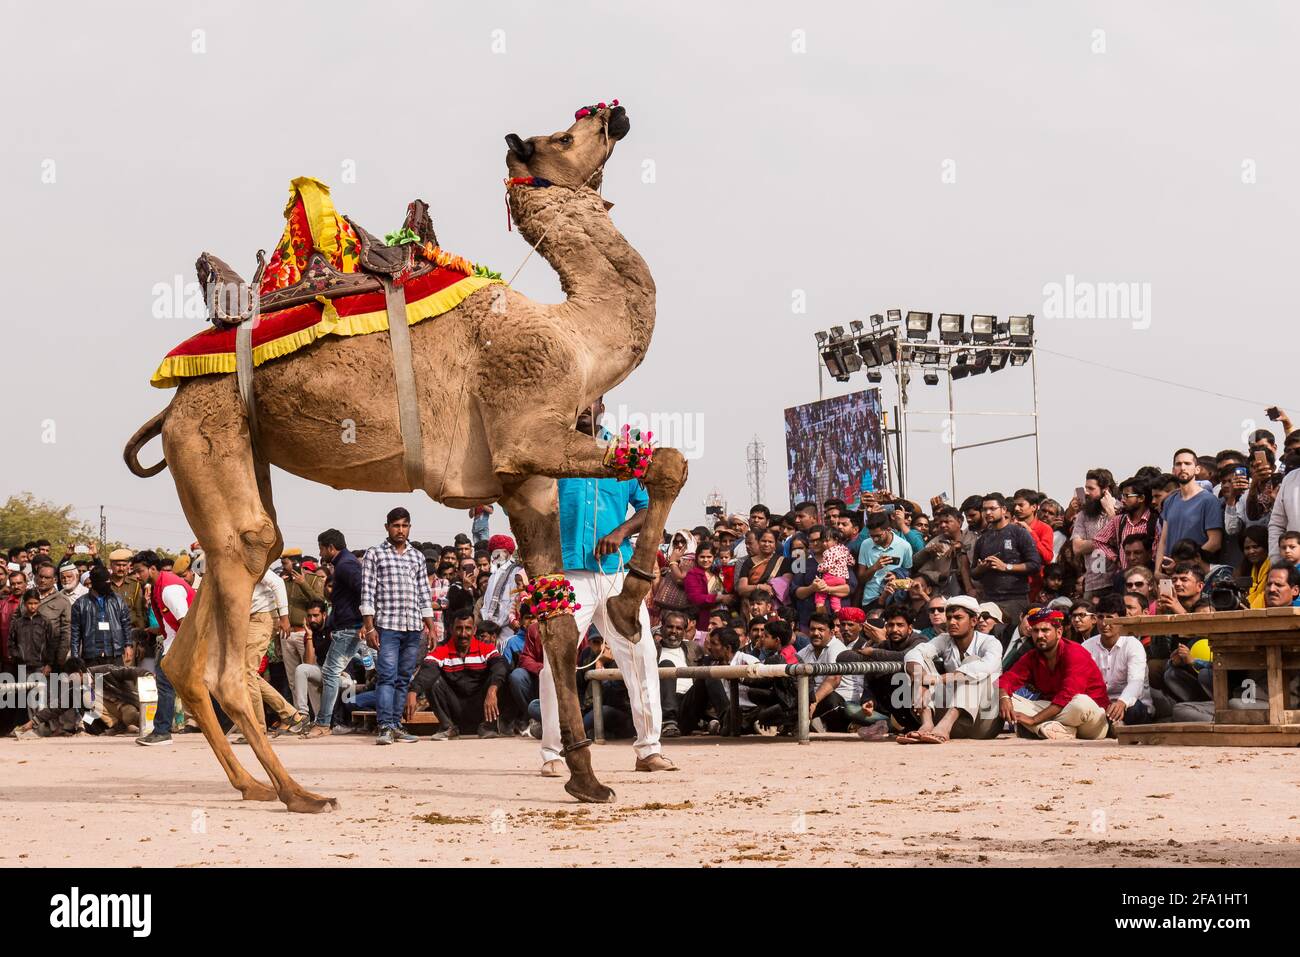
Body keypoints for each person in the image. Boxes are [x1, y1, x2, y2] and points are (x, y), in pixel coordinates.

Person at [538, 398, 675, 777]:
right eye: (576, 397)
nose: (582, 406)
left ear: (602, 405)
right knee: (555, 662)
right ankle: (553, 752)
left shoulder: (623, 453)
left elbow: (651, 507)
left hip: (616, 573)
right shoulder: (552, 454)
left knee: (641, 655)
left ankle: (649, 749)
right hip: (564, 572)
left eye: (590, 399)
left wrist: (620, 531)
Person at [360, 508, 436, 746]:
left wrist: (430, 626)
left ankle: (396, 725)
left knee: (404, 677)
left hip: (413, 626)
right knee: (386, 676)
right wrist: (370, 628)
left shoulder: (417, 556)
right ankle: (384, 727)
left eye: (404, 525)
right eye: (396, 525)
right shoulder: (375, 554)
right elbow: (367, 593)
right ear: (387, 527)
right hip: (388, 626)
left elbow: (424, 593)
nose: (400, 530)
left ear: (409, 528)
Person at [896, 595, 1003, 744]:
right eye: (949, 617)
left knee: (972, 666)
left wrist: (942, 678)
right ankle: (927, 723)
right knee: (919, 664)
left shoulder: (990, 642)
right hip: (952, 723)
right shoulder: (944, 639)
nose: (951, 622)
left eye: (958, 618)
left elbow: (988, 666)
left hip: (983, 721)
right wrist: (920, 677)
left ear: (973, 621)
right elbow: (915, 653)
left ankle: (946, 724)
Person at [998, 607, 1110, 740]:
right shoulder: (1032, 656)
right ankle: (1058, 730)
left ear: (1059, 632)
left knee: (1081, 702)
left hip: (1090, 720)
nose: (1039, 635)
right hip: (1055, 709)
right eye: (1035, 630)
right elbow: (1008, 679)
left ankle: (1039, 727)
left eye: (1045, 630)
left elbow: (1067, 695)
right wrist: (1004, 698)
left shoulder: (1074, 652)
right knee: (998, 697)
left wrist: (1033, 720)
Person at [410, 608, 508, 739]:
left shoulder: (486, 649)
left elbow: (500, 667)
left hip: (481, 709)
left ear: (474, 630)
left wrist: (492, 690)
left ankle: (488, 726)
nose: (463, 633)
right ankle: (448, 727)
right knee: (433, 680)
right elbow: (427, 670)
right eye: (459, 628)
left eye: (468, 628)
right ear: (450, 629)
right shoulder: (441, 649)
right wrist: (413, 692)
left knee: (501, 677)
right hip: (454, 709)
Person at [304, 528, 365, 738]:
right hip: (347, 627)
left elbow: (364, 591)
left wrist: (366, 622)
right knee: (332, 673)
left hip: (350, 628)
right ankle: (325, 721)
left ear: (331, 547)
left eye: (322, 549)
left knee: (329, 673)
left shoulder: (346, 565)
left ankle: (323, 723)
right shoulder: (344, 563)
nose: (320, 554)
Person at [237, 566, 308, 741]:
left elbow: (276, 583)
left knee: (248, 673)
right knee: (248, 674)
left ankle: (257, 729)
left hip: (261, 616)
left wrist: (284, 617)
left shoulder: (246, 559)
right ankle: (291, 715)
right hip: (248, 618)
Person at [134, 550, 194, 747]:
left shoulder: (169, 589)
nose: (137, 575)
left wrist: (180, 652)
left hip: (182, 641)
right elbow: (171, 623)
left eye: (139, 571)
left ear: (152, 569)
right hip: (174, 640)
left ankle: (162, 731)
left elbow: (186, 623)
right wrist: (152, 630)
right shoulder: (160, 585)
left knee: (164, 683)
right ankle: (161, 730)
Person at [971, 493, 1041, 625]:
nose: (988, 512)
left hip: (1015, 598)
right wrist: (981, 569)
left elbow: (1035, 564)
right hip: (989, 598)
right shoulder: (982, 539)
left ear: (1003, 510)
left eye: (992, 508)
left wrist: (1006, 567)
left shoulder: (1019, 533)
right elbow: (973, 573)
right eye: (985, 509)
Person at [1083, 594, 1154, 725]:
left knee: (1133, 709)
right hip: (1101, 705)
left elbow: (1135, 682)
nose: (1105, 623)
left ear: (1122, 620)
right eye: (1100, 617)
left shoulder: (1133, 645)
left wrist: (1122, 703)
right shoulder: (1086, 647)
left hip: (1131, 706)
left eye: (1110, 618)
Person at [1156, 449, 1225, 569]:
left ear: (1197, 469)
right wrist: (1157, 570)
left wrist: (1184, 562)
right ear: (1173, 470)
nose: (1183, 468)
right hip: (1169, 571)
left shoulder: (1209, 500)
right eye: (1178, 464)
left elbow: (1215, 542)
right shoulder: (1169, 501)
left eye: (1187, 464)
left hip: (1196, 573)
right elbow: (1163, 541)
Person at [70, 566, 131, 667]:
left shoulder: (117, 600)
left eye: (109, 581)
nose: (108, 584)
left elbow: (126, 623)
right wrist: (75, 657)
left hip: (114, 653)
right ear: (95, 582)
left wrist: (128, 645)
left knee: (115, 682)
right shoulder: (80, 604)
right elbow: (75, 632)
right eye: (104, 581)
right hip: (92, 655)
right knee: (97, 682)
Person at [856, 512, 913, 608]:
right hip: (871, 599)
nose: (875, 539)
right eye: (872, 536)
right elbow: (861, 579)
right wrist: (875, 567)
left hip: (894, 600)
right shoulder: (865, 544)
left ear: (888, 529)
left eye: (878, 535)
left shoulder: (904, 546)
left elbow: (909, 577)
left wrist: (896, 577)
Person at [33, 563, 72, 669]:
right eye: (40, 576)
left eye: (47, 577)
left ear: (55, 580)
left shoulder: (62, 601)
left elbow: (66, 633)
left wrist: (57, 661)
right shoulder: (27, 596)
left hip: (49, 660)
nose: (42, 580)